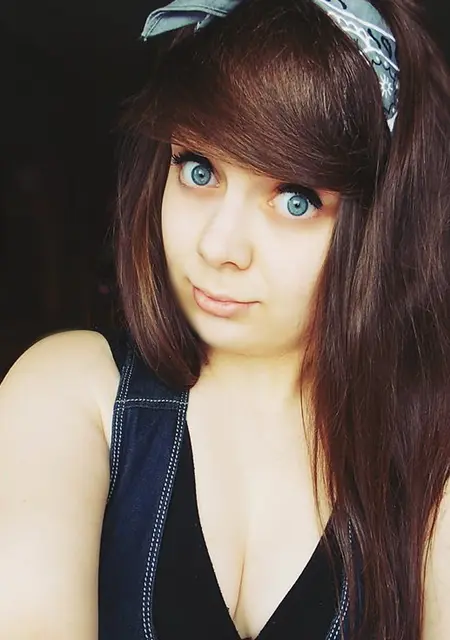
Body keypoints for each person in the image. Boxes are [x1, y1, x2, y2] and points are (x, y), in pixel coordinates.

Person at [1, 0, 449, 638]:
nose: (219, 246)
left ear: (382, 223)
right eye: (199, 170)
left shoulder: (430, 461)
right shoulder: (72, 392)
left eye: (296, 200)